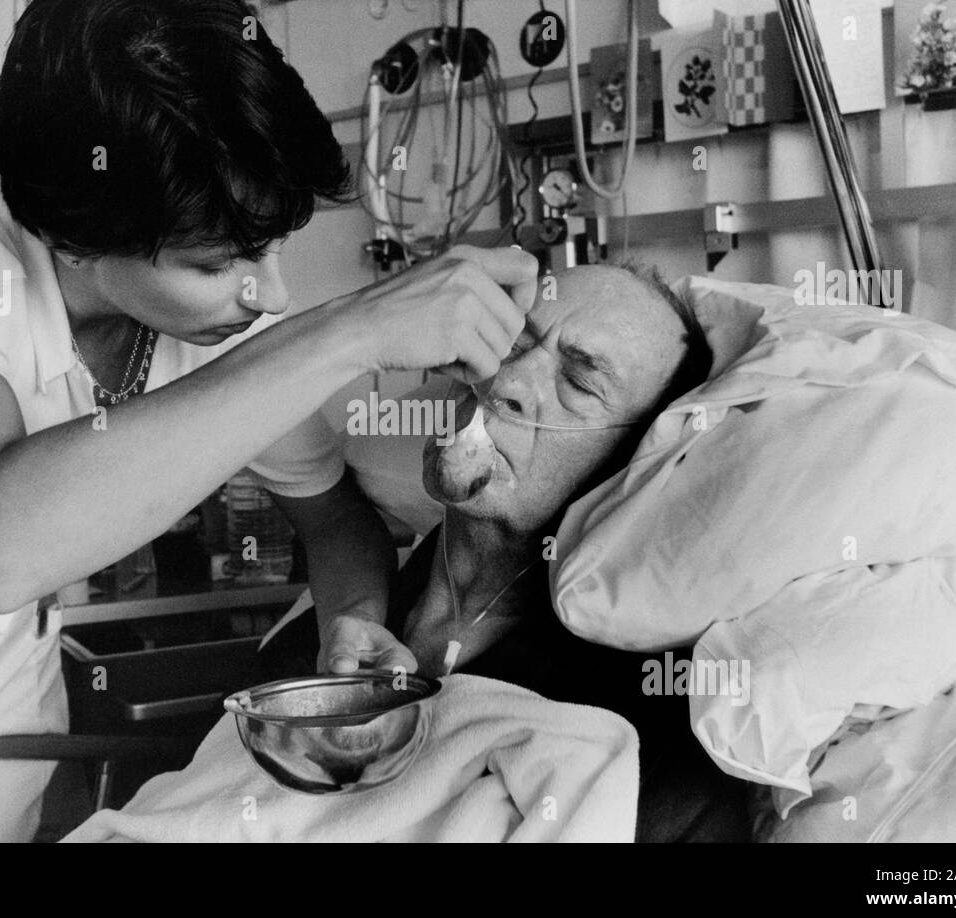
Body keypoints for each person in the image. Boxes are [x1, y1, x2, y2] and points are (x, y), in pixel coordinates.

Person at [0, 0, 536, 841]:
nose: (267, 294)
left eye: (272, 251)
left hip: (0, 759)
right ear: (76, 236)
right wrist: (350, 330)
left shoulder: (221, 327)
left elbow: (332, 514)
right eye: (218, 263)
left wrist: (353, 616)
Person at [261, 262, 753, 842]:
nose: (509, 384)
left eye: (579, 384)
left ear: (635, 460)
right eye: (512, 344)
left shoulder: (636, 731)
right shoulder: (333, 624)